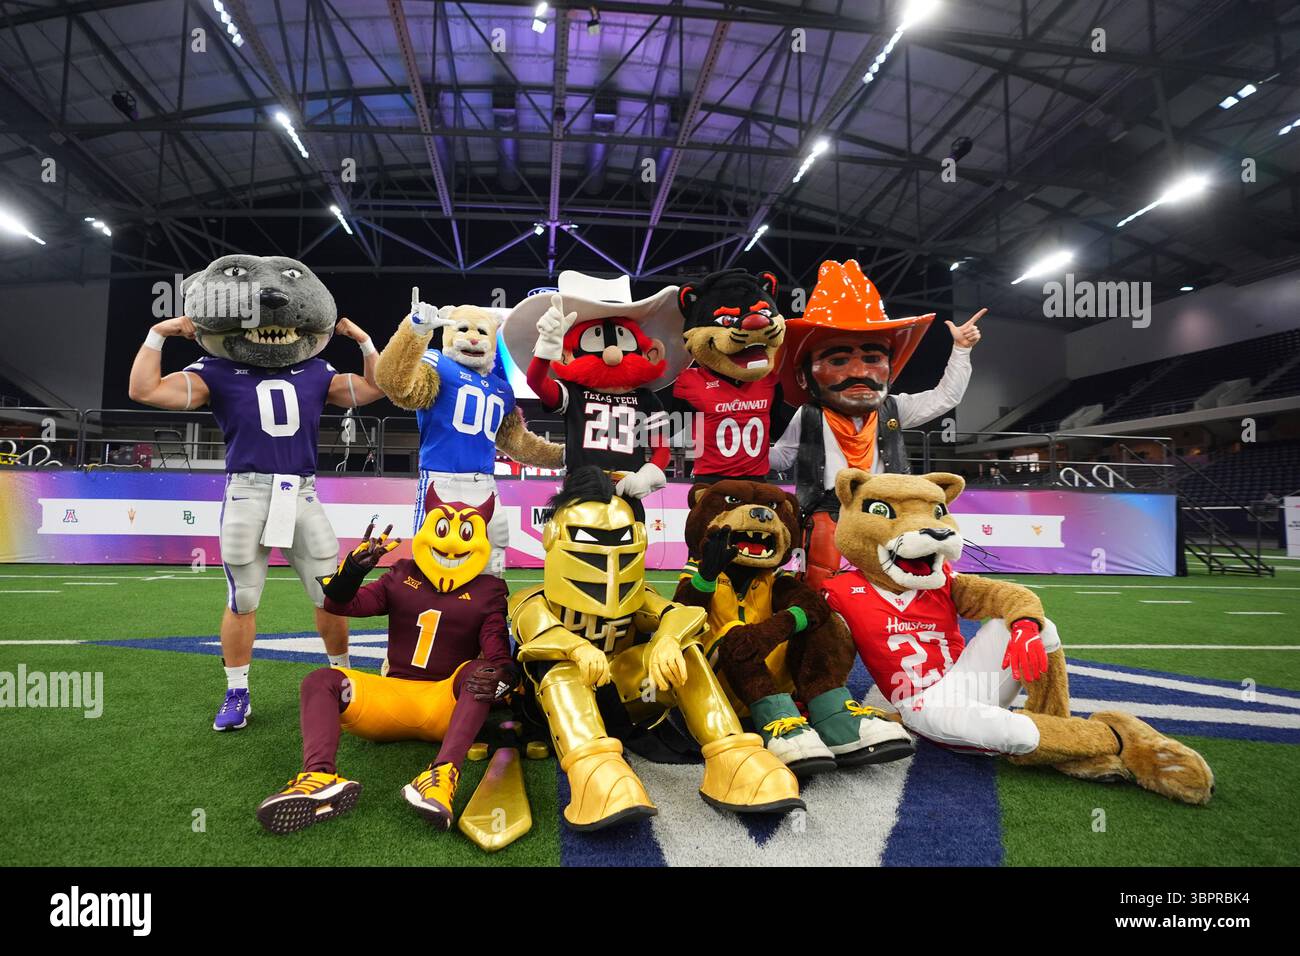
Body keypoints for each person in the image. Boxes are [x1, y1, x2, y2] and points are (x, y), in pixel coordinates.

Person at [127, 255, 383, 731]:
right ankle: (237, 690)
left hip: (301, 492)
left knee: (331, 594)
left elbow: (375, 387)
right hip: (248, 492)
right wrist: (157, 335)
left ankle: (345, 678)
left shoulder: (316, 371)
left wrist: (365, 340)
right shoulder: (216, 371)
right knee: (243, 597)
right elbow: (144, 391)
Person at [255, 490, 516, 834]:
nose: (451, 544)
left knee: (481, 672)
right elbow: (340, 606)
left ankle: (440, 777)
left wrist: (504, 676)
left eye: (466, 533)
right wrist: (351, 572)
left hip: (444, 705)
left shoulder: (489, 590)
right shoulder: (402, 573)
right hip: (389, 698)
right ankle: (319, 777)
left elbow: (499, 657)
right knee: (320, 681)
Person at [770, 258, 985, 588]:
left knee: (900, 573)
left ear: (889, 366)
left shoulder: (896, 409)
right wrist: (734, 442)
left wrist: (961, 349)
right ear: (806, 374)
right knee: (821, 567)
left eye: (871, 359)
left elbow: (946, 398)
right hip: (829, 506)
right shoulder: (808, 415)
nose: (858, 372)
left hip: (890, 508)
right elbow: (781, 457)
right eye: (839, 360)